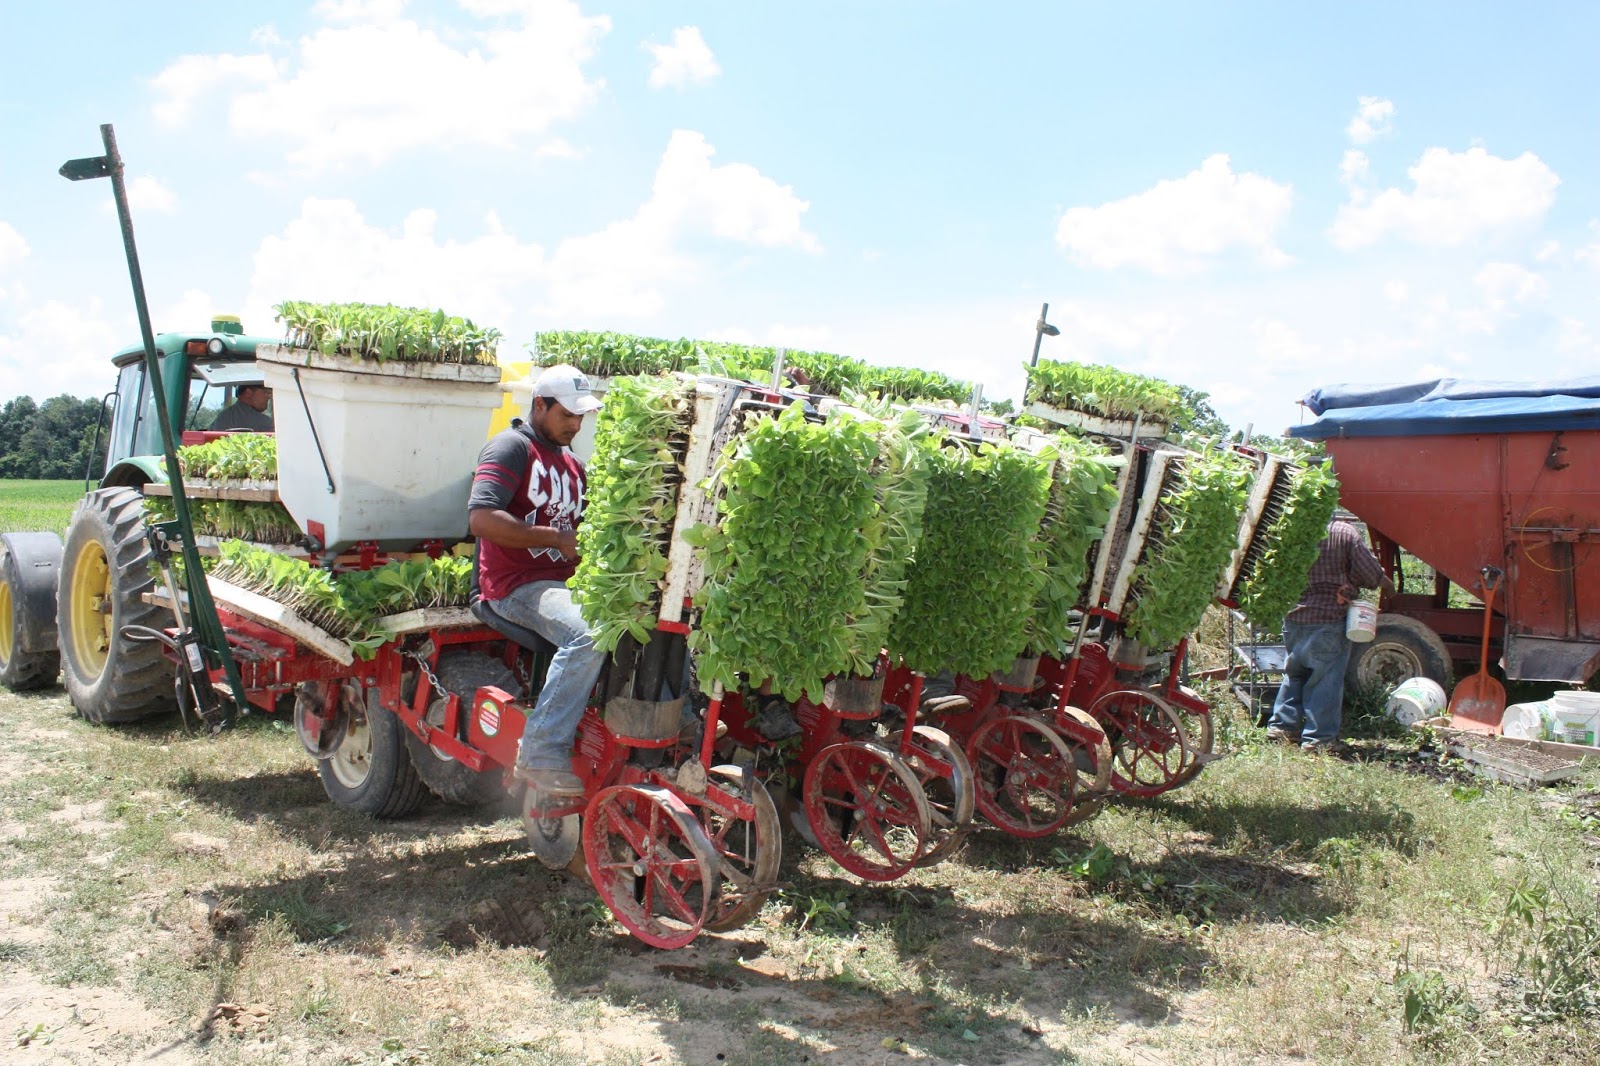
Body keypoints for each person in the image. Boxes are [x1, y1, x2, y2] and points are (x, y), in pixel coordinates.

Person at [468, 364, 604, 796]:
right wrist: (556, 539)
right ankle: (541, 752)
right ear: (540, 405)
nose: (576, 424)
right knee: (588, 634)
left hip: (566, 586)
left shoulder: (574, 466)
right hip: (516, 584)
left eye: (581, 416)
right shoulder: (509, 448)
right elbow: (482, 519)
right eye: (567, 414)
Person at [1265, 517, 1395, 753]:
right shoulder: (1344, 533)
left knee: (1294, 672)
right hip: (1328, 618)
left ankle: (1282, 728)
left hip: (1293, 616)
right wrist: (1388, 585)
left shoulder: (1290, 530)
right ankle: (1318, 739)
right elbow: (1370, 574)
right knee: (1325, 678)